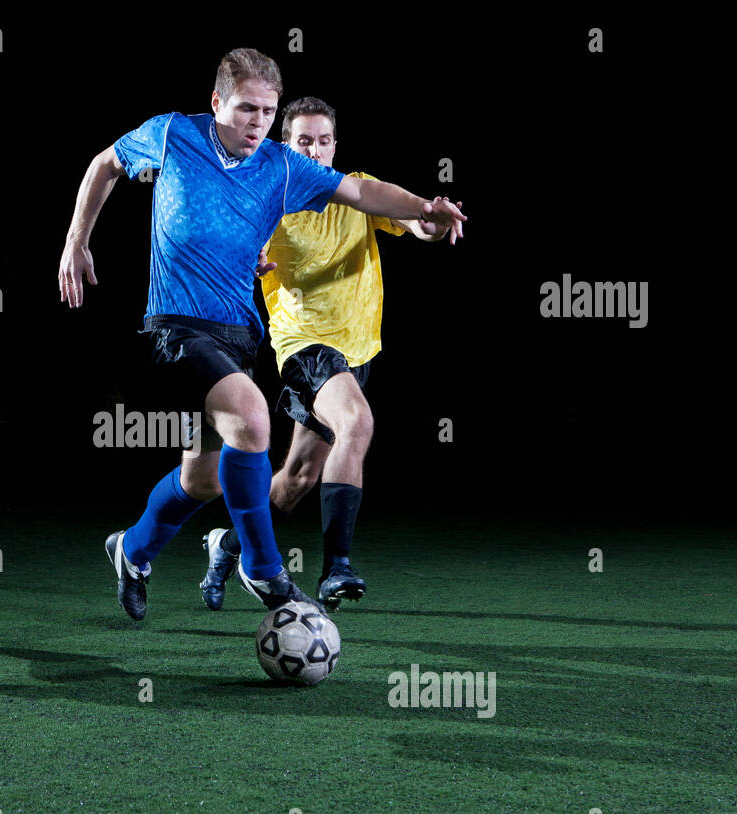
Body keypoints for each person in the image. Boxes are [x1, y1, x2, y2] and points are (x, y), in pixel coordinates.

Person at [58, 50, 465, 621]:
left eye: (268, 111)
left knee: (201, 481)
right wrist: (77, 239)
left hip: (236, 338)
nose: (257, 122)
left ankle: (132, 549)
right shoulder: (173, 135)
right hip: (175, 326)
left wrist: (426, 205)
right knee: (253, 419)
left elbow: (360, 193)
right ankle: (264, 567)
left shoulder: (280, 166)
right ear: (217, 102)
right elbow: (104, 163)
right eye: (247, 107)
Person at [200, 96, 463, 612]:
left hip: (356, 352)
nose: (315, 152)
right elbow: (227, 250)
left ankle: (226, 543)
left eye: (323, 141)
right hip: (303, 346)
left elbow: (414, 224)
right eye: (303, 141)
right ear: (286, 146)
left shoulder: (355, 191)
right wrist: (244, 261)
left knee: (295, 481)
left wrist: (430, 218)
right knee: (357, 424)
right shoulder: (269, 201)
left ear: (335, 146)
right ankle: (336, 566)